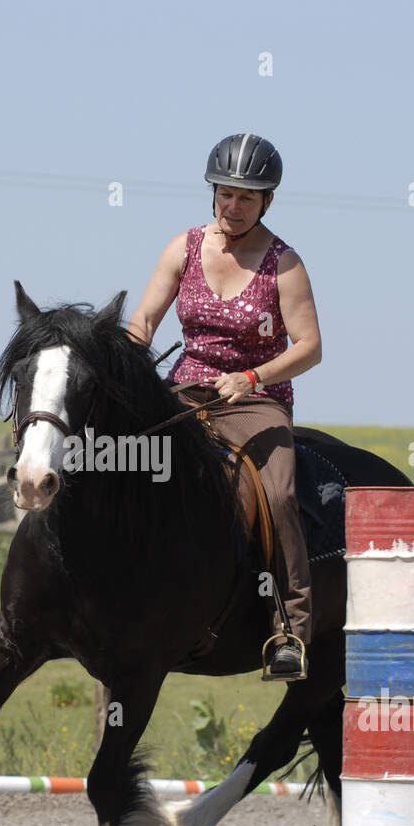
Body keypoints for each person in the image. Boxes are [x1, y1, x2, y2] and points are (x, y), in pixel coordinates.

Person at [126, 133, 321, 678]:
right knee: (120, 461)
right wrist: (120, 364)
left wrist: (252, 375)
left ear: (267, 201)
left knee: (279, 495)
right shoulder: (183, 247)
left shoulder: (285, 263)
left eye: (247, 198)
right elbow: (143, 324)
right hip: (186, 393)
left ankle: (291, 631)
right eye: (226, 194)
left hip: (256, 401)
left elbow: (310, 348)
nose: (233, 207)